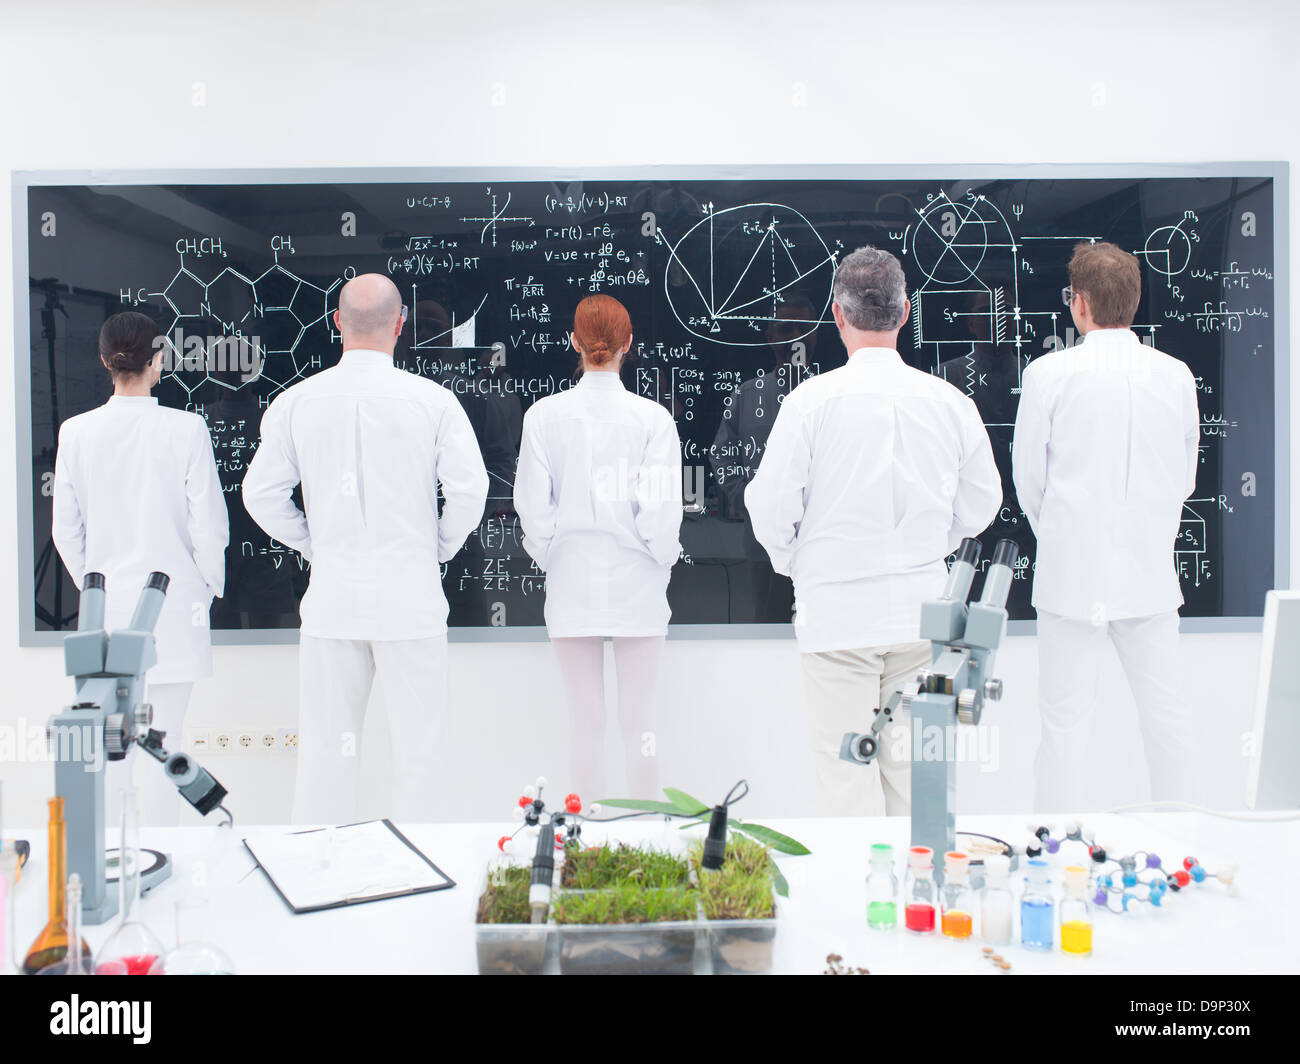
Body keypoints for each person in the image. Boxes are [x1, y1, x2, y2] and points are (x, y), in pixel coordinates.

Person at [746, 247, 1001, 817]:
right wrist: (931, 543)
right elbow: (983, 504)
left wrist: (803, 563)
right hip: (921, 619)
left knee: (845, 783)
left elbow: (770, 512)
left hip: (835, 622)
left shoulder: (808, 404)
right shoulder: (950, 403)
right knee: (916, 786)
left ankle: (856, 904)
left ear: (837, 316)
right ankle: (917, 900)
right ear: (905, 311)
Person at [242, 273, 488, 824]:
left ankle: (318, 874)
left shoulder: (296, 402)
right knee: (420, 753)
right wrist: (437, 549)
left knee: (328, 751)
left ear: (336, 323)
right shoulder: (434, 401)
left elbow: (259, 495)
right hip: (412, 600)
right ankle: (421, 878)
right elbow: (471, 490)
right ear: (401, 326)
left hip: (333, 600)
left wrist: (315, 545)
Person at [1013, 241, 1199, 812]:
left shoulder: (1049, 375)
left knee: (1064, 728)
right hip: (1148, 575)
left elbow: (1030, 482)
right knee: (1167, 719)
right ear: (1135, 301)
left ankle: (1052, 854)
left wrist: (1068, 536)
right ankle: (1182, 845)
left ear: (1080, 303)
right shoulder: (1176, 375)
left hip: (1072, 581)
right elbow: (1186, 478)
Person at [52, 311, 229, 826]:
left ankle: (111, 863)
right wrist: (207, 589)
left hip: (103, 618)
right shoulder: (186, 428)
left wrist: (93, 591)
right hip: (174, 610)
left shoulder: (76, 432)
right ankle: (162, 862)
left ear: (106, 361)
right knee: (166, 747)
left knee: (106, 749)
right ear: (158, 361)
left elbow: (66, 529)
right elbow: (209, 524)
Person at [513, 294, 683, 798]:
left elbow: (533, 510)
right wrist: (661, 558)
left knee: (585, 725)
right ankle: (646, 832)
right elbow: (659, 515)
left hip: (571, 585)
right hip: (638, 586)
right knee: (641, 723)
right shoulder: (653, 420)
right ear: (629, 343)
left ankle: (583, 837)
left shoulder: (544, 417)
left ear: (575, 343)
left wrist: (557, 555)